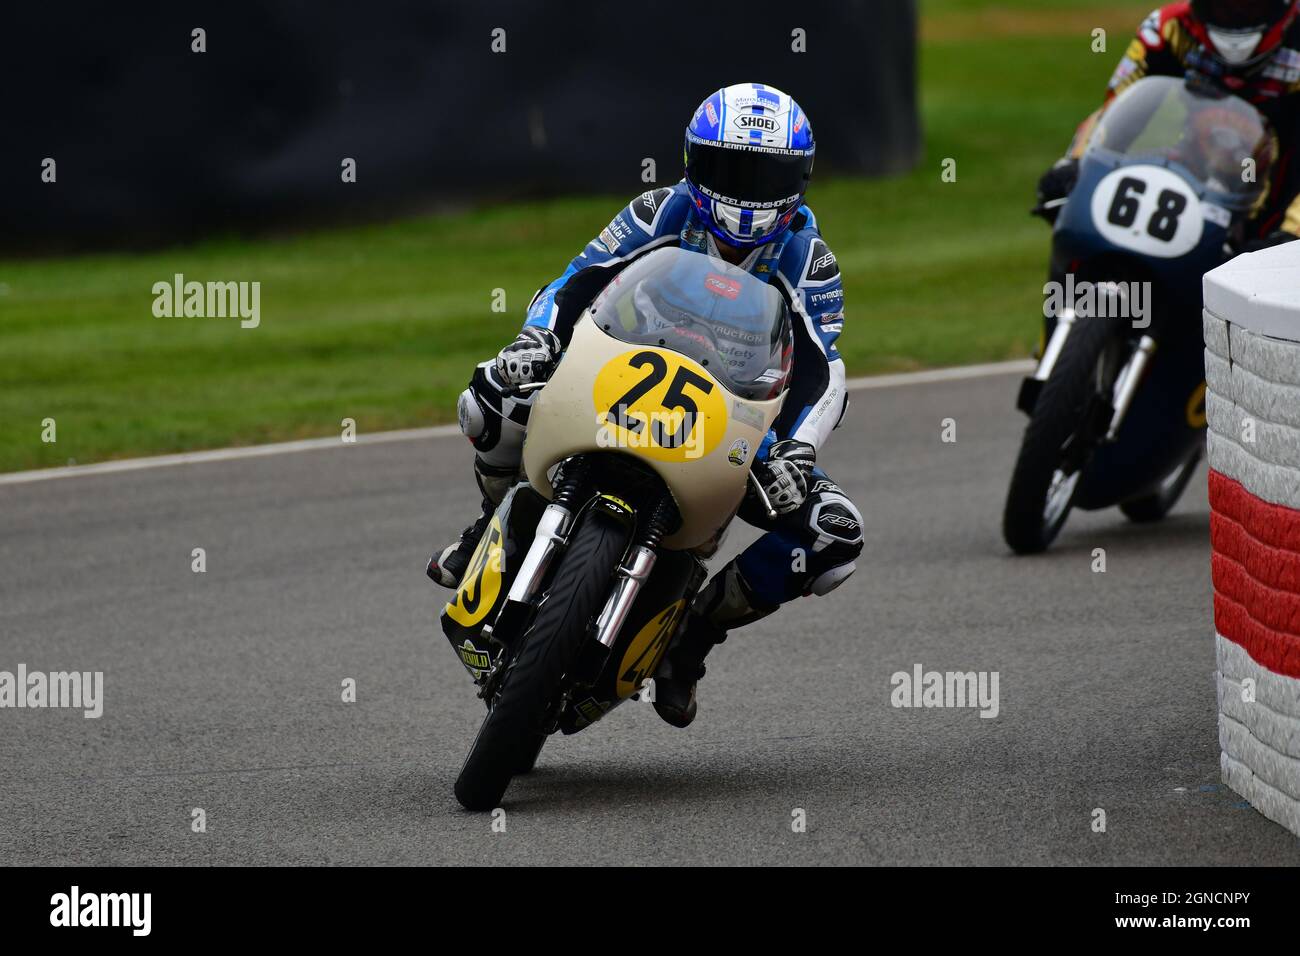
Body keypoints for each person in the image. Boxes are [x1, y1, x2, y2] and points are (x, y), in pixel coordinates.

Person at [428, 83, 863, 728]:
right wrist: (536, 341)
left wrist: (795, 453)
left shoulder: (810, 259)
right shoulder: (659, 209)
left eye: (762, 174)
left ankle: (694, 635)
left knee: (835, 535)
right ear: (691, 162)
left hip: (734, 421)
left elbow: (820, 371)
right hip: (617, 375)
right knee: (488, 402)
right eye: (727, 169)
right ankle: (487, 525)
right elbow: (576, 280)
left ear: (797, 181)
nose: (743, 190)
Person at [1037, 0, 1300, 248]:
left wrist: (1291, 233)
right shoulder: (1166, 29)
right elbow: (1116, 108)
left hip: (1286, 195)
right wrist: (1075, 166)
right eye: (1222, 5)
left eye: (1249, 5)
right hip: (1194, 189)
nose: (1235, 13)